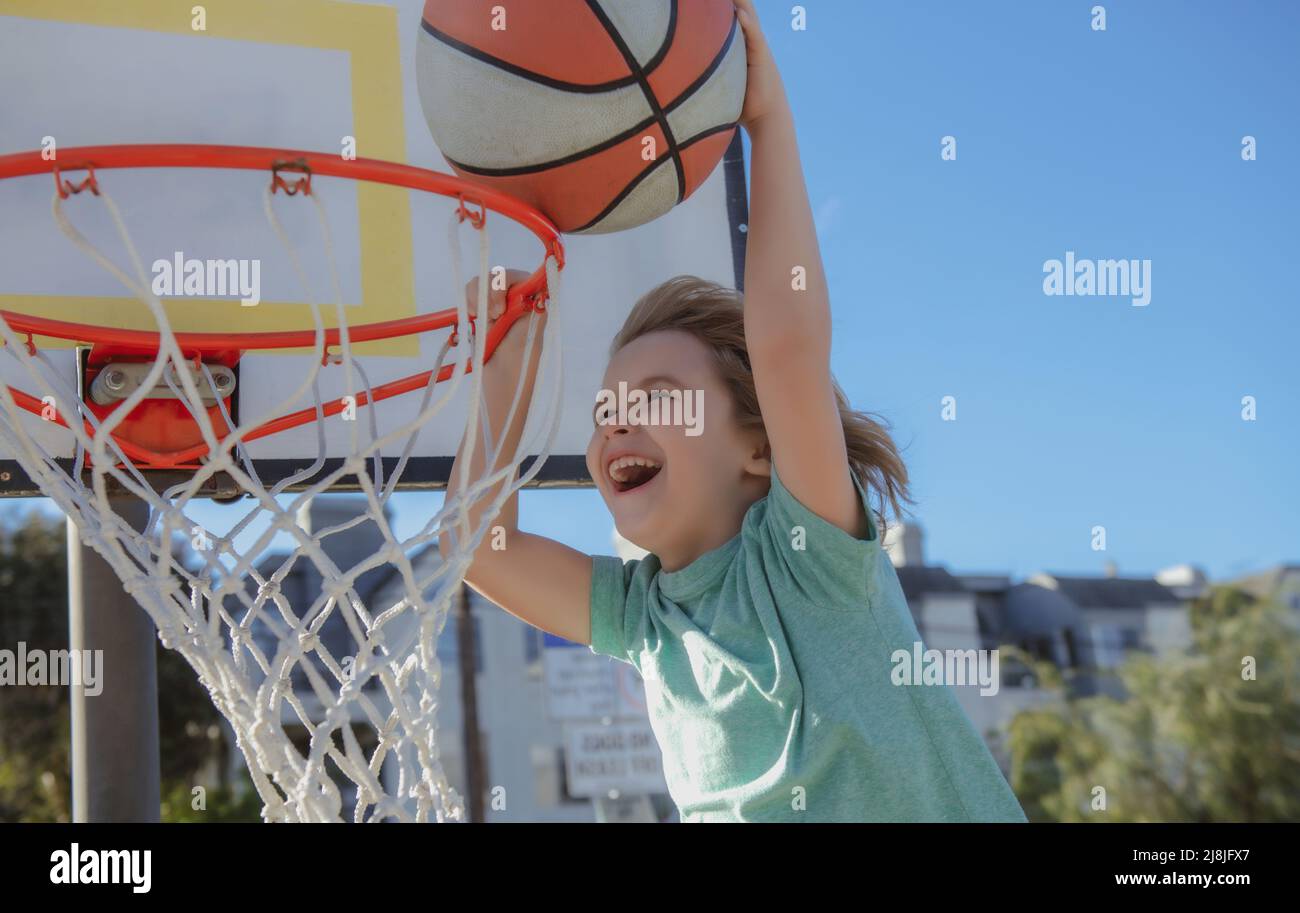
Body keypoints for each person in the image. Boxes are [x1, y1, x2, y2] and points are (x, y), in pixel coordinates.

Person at [441, 0, 1026, 823]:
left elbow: (785, 348)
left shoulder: (807, 561)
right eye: (606, 406)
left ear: (759, 447)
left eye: (657, 397)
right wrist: (501, 371)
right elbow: (483, 548)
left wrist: (768, 123)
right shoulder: (646, 620)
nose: (615, 421)